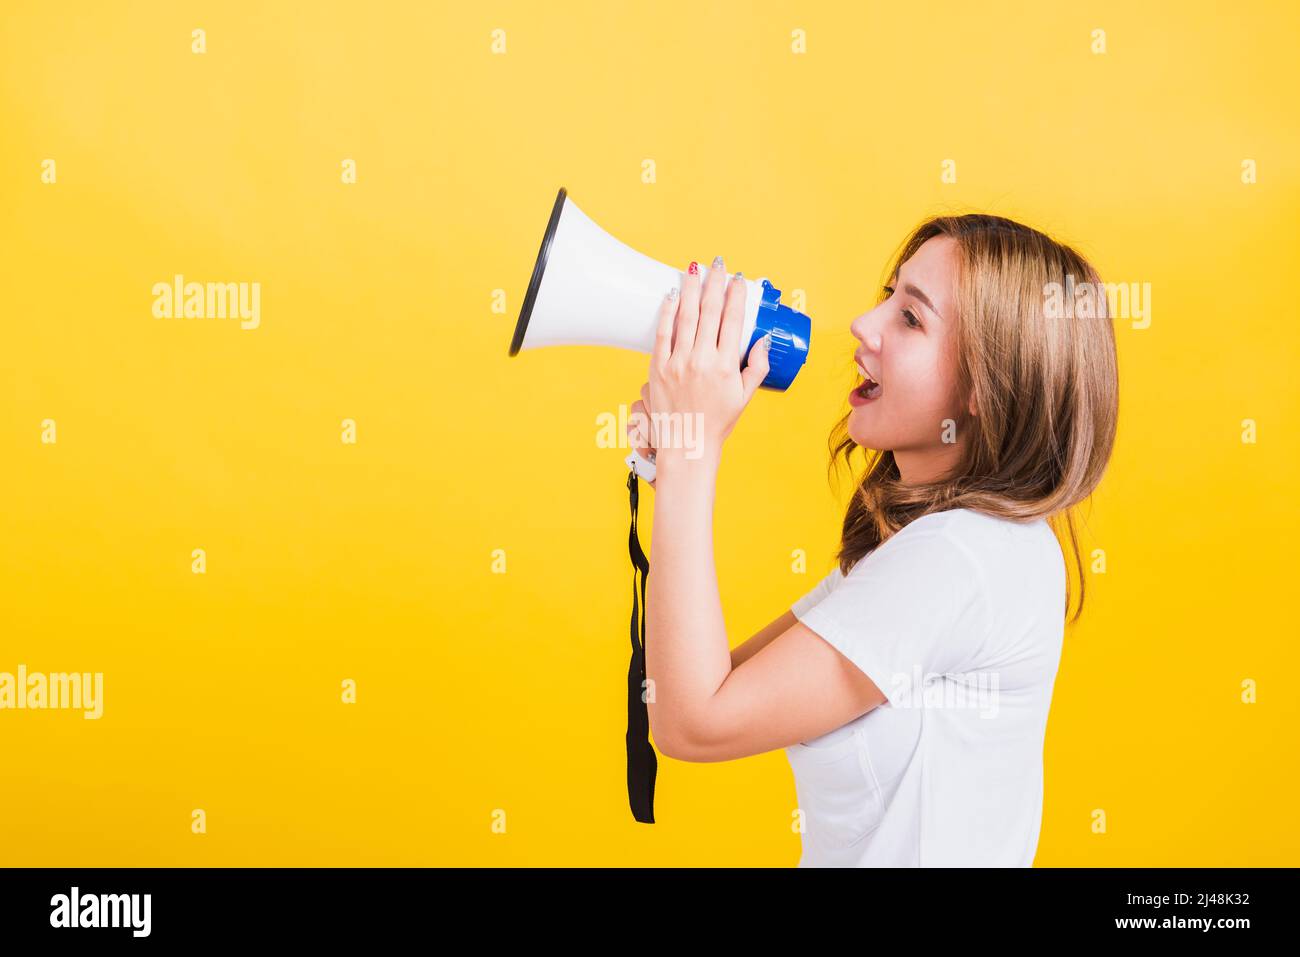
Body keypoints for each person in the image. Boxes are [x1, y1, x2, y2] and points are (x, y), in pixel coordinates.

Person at [626, 216, 1119, 866]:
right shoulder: (952, 546)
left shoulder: (964, 556)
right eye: (889, 294)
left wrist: (693, 458)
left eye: (911, 317)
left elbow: (693, 721)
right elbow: (706, 683)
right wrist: (677, 478)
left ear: (983, 386)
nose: (865, 323)